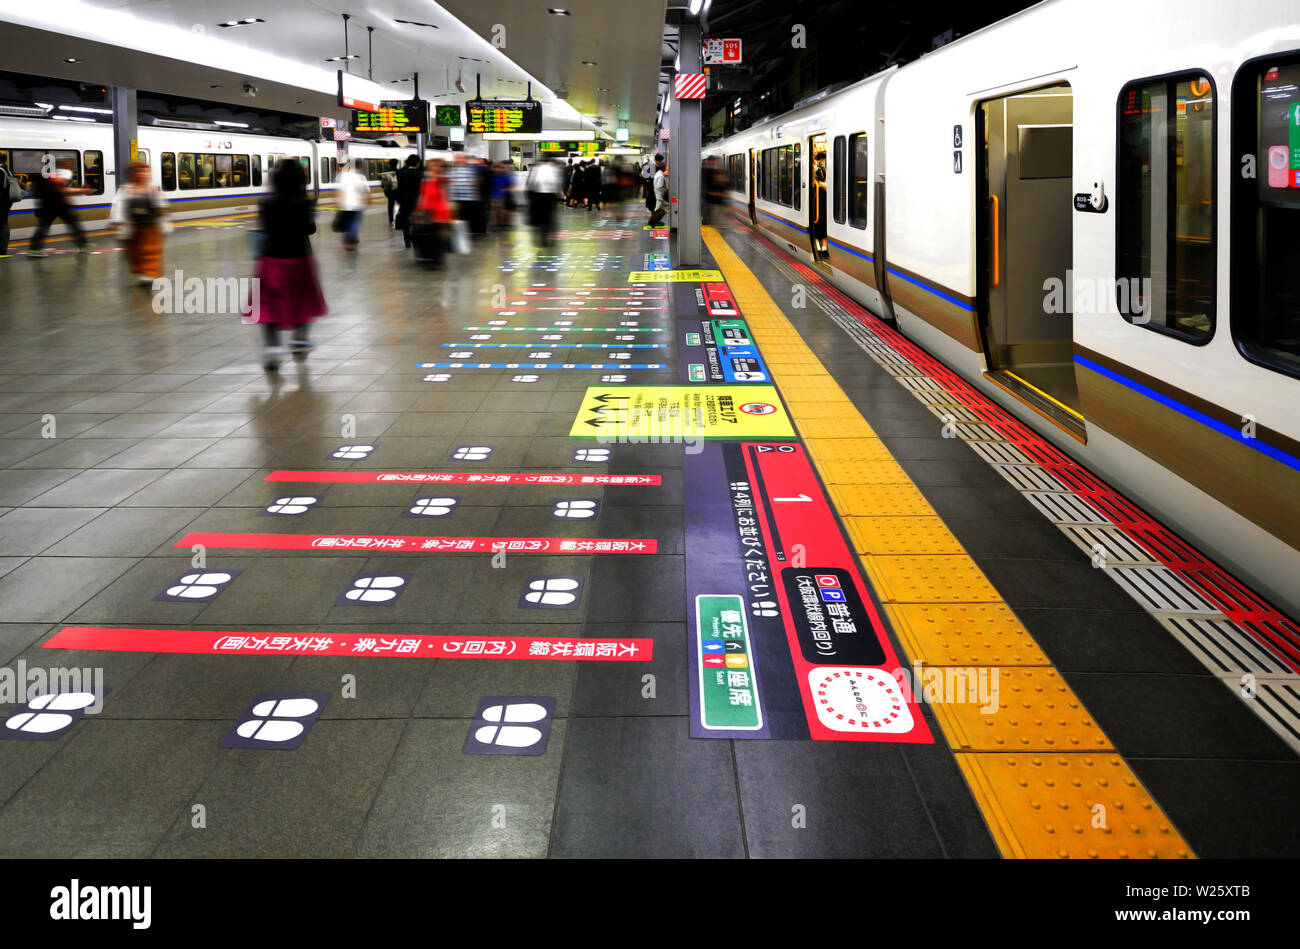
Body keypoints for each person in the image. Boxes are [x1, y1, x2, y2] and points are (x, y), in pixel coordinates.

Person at [251, 159, 327, 372]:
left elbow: (265, 230)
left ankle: (273, 349)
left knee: (268, 305)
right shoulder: (306, 203)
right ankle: (300, 339)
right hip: (300, 259)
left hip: (271, 259)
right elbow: (310, 230)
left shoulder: (265, 204)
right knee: (303, 301)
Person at [109, 161, 169, 285]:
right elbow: (118, 207)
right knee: (132, 251)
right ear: (131, 174)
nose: (142, 174)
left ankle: (149, 272)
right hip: (132, 226)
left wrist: (162, 211)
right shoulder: (125, 191)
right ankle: (140, 269)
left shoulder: (154, 190)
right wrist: (116, 221)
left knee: (150, 250)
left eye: (145, 171)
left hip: (151, 226)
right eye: (138, 171)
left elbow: (162, 205)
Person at [27, 162, 91, 257]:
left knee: (44, 226)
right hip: (60, 204)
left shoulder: (50, 175)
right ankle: (83, 245)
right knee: (73, 224)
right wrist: (81, 190)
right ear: (64, 165)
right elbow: (62, 187)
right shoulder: (65, 173)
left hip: (47, 205)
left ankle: (34, 249)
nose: (70, 165)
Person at [412, 157, 452, 267]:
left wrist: (448, 215)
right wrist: (418, 211)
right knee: (428, 237)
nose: (435, 169)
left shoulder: (443, 181)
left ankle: (436, 258)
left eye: (439, 166)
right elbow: (422, 196)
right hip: (426, 214)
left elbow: (446, 198)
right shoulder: (425, 181)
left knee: (437, 238)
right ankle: (429, 257)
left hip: (440, 215)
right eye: (433, 166)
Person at [525, 157, 563, 247]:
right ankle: (550, 238)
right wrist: (559, 193)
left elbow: (531, 183)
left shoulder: (536, 169)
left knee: (541, 217)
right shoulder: (554, 169)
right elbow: (557, 183)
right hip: (550, 196)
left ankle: (543, 238)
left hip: (539, 196)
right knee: (550, 217)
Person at [334, 160, 371, 250]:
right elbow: (366, 192)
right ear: (360, 167)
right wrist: (368, 201)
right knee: (354, 223)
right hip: (357, 205)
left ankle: (350, 239)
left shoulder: (343, 175)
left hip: (345, 205)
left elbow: (339, 191)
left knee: (348, 222)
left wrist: (338, 202)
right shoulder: (361, 177)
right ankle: (350, 243)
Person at [394, 154, 423, 248]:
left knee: (406, 222)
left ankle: (407, 242)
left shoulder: (401, 174)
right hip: (417, 202)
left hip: (404, 201)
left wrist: (398, 200)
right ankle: (415, 242)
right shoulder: (420, 174)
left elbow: (398, 189)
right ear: (417, 163)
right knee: (416, 222)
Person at [0, 155, 20, 257]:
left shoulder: (0, 171)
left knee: (2, 225)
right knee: (3, 224)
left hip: (1, 203)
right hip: (6, 203)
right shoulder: (8, 171)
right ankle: (3, 250)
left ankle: (2, 251)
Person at [647, 154, 669, 228]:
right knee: (655, 205)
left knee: (656, 205)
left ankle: (655, 220)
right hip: (653, 189)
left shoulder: (654, 166)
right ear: (657, 160)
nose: (661, 162)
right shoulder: (653, 167)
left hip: (654, 189)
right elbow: (652, 180)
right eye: (660, 161)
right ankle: (654, 220)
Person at [380, 158, 400, 227]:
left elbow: (383, 185)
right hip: (398, 193)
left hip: (390, 193)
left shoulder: (386, 173)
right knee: (400, 205)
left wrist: (386, 193)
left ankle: (391, 219)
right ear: (397, 164)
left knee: (390, 205)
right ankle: (399, 217)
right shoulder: (399, 172)